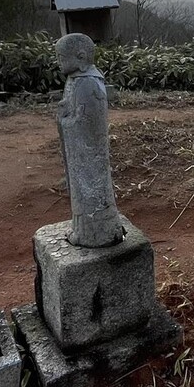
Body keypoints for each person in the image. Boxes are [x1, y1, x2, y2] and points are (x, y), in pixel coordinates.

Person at [54, 34, 124, 247]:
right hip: (80, 152)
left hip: (88, 153)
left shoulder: (88, 83)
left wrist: (66, 120)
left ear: (81, 56)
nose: (58, 63)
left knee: (90, 190)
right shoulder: (75, 80)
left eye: (61, 57)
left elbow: (90, 123)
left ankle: (95, 232)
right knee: (80, 189)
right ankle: (86, 230)